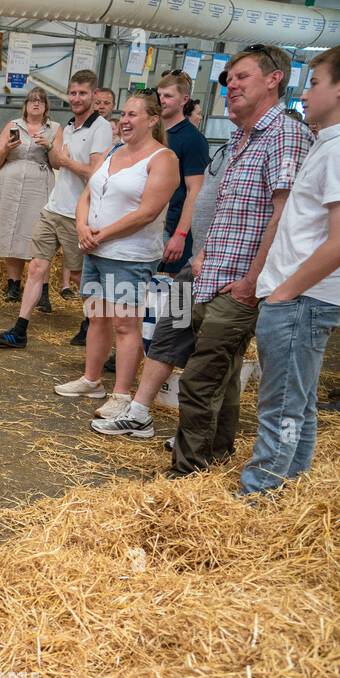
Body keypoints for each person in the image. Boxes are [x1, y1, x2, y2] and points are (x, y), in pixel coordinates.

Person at [169, 44, 314, 478]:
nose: (231, 84)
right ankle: (214, 455)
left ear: (274, 80)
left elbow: (282, 213)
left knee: (199, 377)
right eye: (229, 78)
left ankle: (187, 470)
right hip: (214, 274)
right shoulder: (240, 136)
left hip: (244, 283)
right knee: (223, 373)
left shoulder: (285, 134)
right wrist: (205, 255)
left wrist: (253, 279)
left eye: (243, 76)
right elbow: (229, 210)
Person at [238, 46, 340, 496]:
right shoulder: (326, 144)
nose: (307, 91)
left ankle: (260, 490)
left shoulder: (337, 151)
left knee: (279, 406)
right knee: (297, 404)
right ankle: (290, 484)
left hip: (301, 297)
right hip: (301, 295)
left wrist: (284, 292)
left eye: (316, 82)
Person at [55, 93, 178, 423]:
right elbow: (88, 194)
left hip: (130, 257)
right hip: (95, 250)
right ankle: (91, 380)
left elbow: (147, 213)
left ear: (152, 120)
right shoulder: (113, 152)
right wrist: (82, 227)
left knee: (125, 324)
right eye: (123, 113)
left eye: (133, 114)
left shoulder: (163, 159)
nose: (124, 119)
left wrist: (101, 234)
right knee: (97, 316)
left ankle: (122, 393)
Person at [0, 70, 113, 349]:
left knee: (81, 275)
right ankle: (19, 330)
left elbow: (95, 173)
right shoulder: (67, 127)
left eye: (82, 93)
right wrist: (52, 152)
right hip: (54, 206)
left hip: (78, 212)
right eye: (73, 93)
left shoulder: (101, 128)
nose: (76, 98)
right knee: (36, 266)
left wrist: (65, 161)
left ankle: (92, 322)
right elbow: (57, 162)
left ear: (94, 95)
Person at [0, 88, 58, 302]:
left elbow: (57, 162)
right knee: (12, 231)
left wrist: (50, 146)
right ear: (25, 105)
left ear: (46, 107)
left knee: (38, 235)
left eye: (41, 101)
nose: (36, 104)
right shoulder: (12, 125)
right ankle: (13, 285)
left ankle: (42, 291)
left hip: (39, 187)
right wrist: (6, 148)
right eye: (32, 100)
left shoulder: (54, 129)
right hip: (10, 186)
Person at [155, 71, 209, 275]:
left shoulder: (192, 139)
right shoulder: (153, 132)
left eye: (168, 96)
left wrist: (180, 234)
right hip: (150, 224)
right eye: (159, 95)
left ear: (184, 100)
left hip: (173, 226)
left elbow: (195, 191)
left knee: (178, 298)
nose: (162, 100)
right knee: (144, 296)